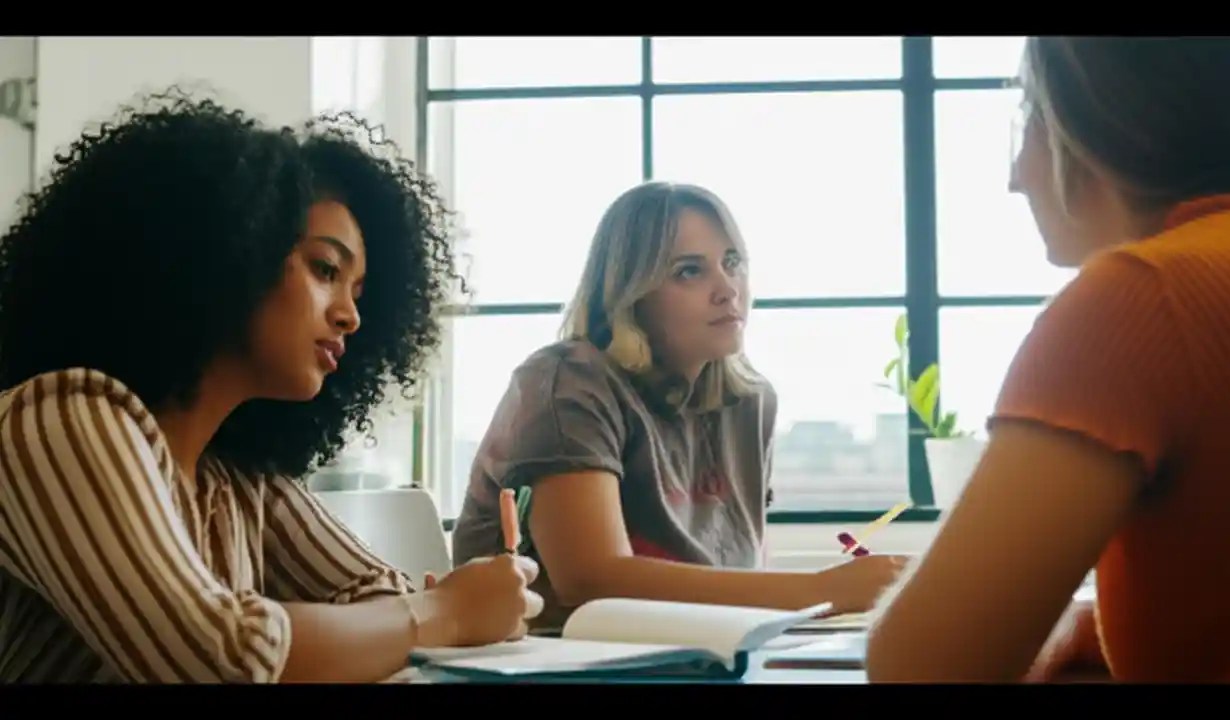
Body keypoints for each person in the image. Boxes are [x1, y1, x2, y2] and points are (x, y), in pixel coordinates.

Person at [0, 89, 542, 683]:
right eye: (325, 269)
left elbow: (380, 594)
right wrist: (445, 612)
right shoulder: (55, 422)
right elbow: (216, 656)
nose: (351, 317)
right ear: (224, 253)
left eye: (359, 294)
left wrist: (428, 613)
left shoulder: (237, 476)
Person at [865, 37, 1230, 683]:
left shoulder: (1142, 295)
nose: (1015, 177)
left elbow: (919, 669)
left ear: (1082, 125)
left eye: (1029, 116)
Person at [450, 181, 904, 629]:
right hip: (557, 655)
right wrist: (821, 590)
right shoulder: (567, 382)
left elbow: (742, 568)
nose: (727, 289)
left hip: (699, 649)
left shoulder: (751, 402)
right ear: (631, 294)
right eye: (689, 271)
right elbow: (590, 581)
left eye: (733, 263)